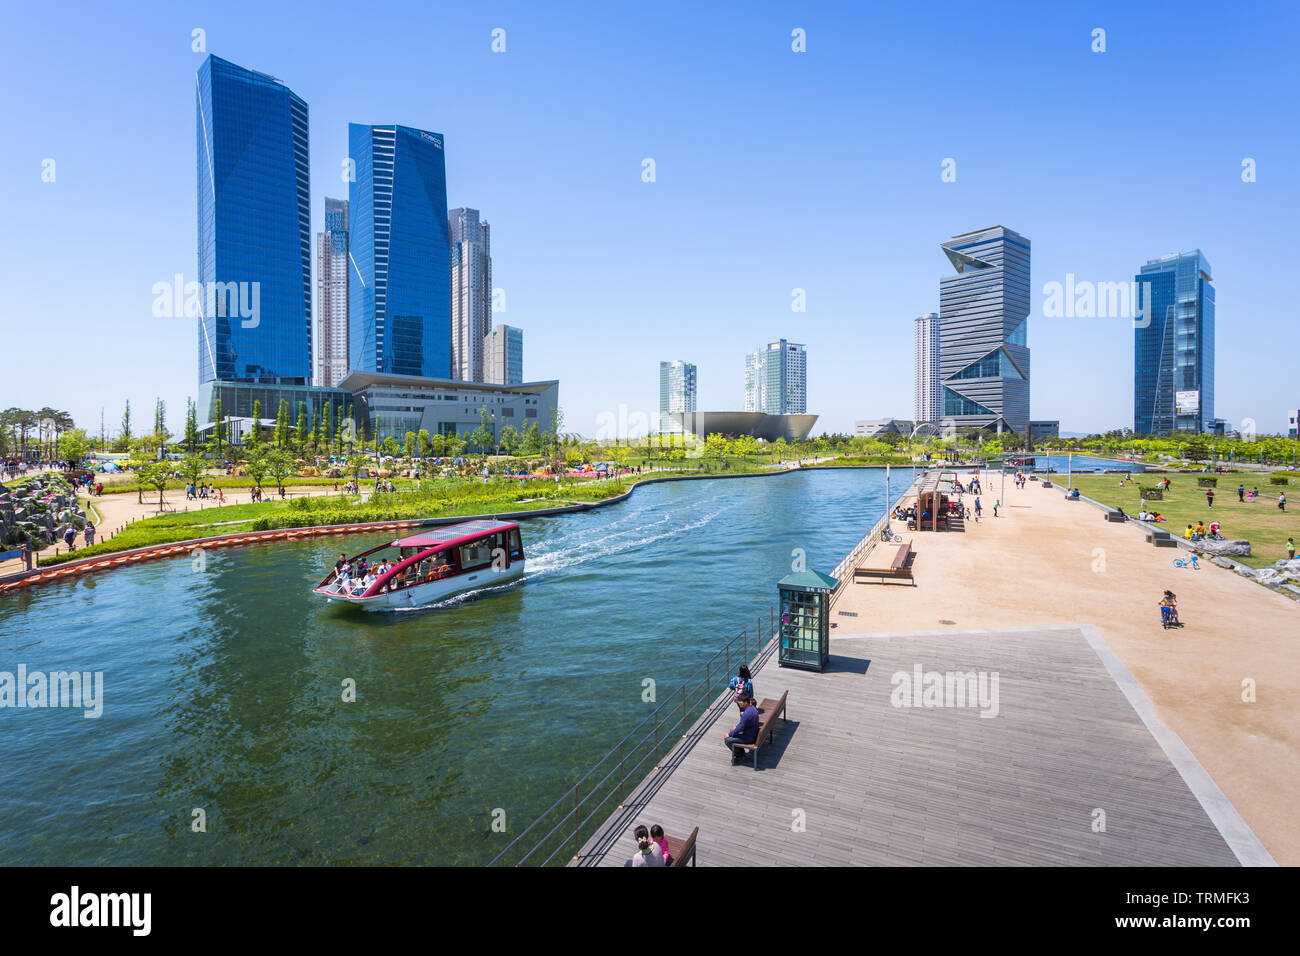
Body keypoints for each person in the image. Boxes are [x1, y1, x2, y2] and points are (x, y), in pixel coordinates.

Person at [723, 695, 760, 764]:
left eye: (740, 701)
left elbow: (740, 727)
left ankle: (740, 755)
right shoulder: (752, 709)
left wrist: (729, 734)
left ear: (746, 702)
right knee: (733, 731)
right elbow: (742, 726)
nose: (739, 703)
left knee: (727, 740)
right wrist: (735, 729)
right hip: (752, 733)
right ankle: (741, 752)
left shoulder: (747, 713)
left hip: (749, 738)